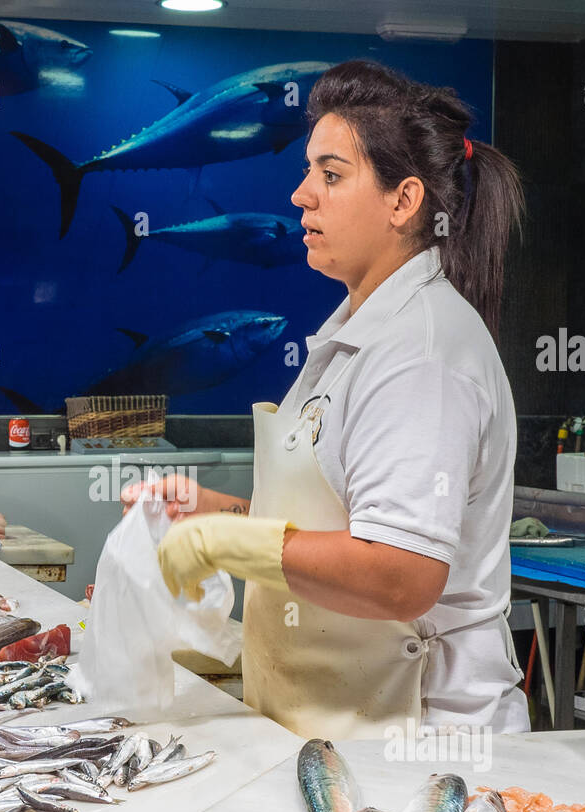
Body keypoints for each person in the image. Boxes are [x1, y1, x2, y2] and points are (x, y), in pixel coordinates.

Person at [122, 60, 529, 740]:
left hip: (420, 745)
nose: (300, 195)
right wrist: (219, 513)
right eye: (310, 171)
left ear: (403, 202)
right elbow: (338, 523)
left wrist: (230, 542)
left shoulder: (420, 358)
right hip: (343, 727)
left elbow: (400, 576)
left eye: (330, 174)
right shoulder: (355, 332)